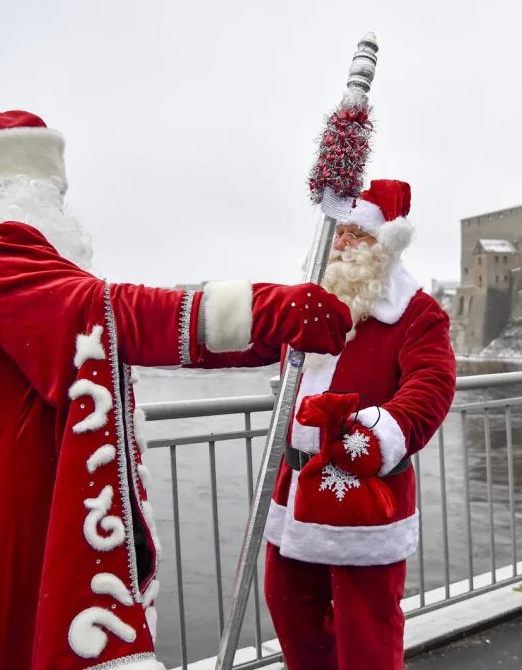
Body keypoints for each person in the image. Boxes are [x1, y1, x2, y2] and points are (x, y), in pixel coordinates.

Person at [0, 110, 353, 670]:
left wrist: (265, 338)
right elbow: (99, 311)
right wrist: (269, 311)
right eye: (53, 193)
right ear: (32, 189)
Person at [193, 180, 457, 669]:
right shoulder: (313, 306)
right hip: (294, 487)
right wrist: (181, 336)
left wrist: (378, 433)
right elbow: (250, 338)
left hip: (363, 490)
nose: (343, 243)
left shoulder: (417, 313)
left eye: (358, 234)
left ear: (384, 244)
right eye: (340, 232)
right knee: (292, 610)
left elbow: (432, 384)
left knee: (366, 629)